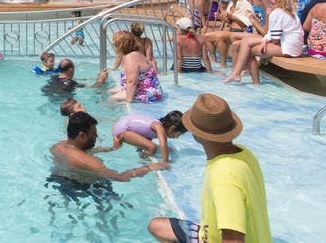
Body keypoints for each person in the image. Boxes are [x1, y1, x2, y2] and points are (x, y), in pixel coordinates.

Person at [147, 93, 270, 243]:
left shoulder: (223, 175)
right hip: (211, 231)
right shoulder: (243, 152)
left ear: (198, 134)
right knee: (157, 225)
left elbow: (234, 240)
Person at [51, 112, 167, 184]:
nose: (96, 136)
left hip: (59, 180)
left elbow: (84, 152)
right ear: (82, 136)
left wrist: (112, 149)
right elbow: (121, 177)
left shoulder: (58, 146)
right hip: (83, 188)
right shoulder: (92, 162)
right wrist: (150, 167)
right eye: (94, 133)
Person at [224, 0, 303, 84]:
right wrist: (264, 41)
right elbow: (271, 33)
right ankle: (237, 74)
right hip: (293, 46)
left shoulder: (276, 13)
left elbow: (275, 40)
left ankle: (253, 82)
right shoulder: (287, 11)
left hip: (289, 48)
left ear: (267, 0)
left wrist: (265, 41)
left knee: (247, 49)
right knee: (244, 43)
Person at [100, 111, 187, 164]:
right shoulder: (159, 127)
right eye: (178, 134)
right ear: (172, 128)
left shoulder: (157, 124)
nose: (177, 137)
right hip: (122, 130)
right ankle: (143, 162)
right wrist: (165, 162)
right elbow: (163, 145)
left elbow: (146, 135)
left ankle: (142, 153)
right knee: (152, 147)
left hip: (123, 126)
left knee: (149, 144)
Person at [204, 0, 254, 67]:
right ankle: (213, 61)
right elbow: (229, 21)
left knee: (220, 37)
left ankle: (223, 63)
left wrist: (231, 16)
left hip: (242, 32)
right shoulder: (231, 3)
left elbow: (247, 24)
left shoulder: (245, 4)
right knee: (207, 36)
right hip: (232, 30)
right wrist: (221, 17)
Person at [109, 31, 163, 103]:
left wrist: (128, 101)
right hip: (146, 89)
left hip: (147, 93)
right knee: (109, 91)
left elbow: (132, 82)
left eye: (114, 43)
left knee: (111, 99)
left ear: (120, 45)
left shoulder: (131, 57)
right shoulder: (135, 54)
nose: (113, 45)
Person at [43, 58, 108, 95]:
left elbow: (72, 79)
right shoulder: (71, 83)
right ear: (70, 70)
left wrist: (97, 78)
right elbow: (93, 87)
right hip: (63, 101)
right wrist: (100, 80)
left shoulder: (54, 77)